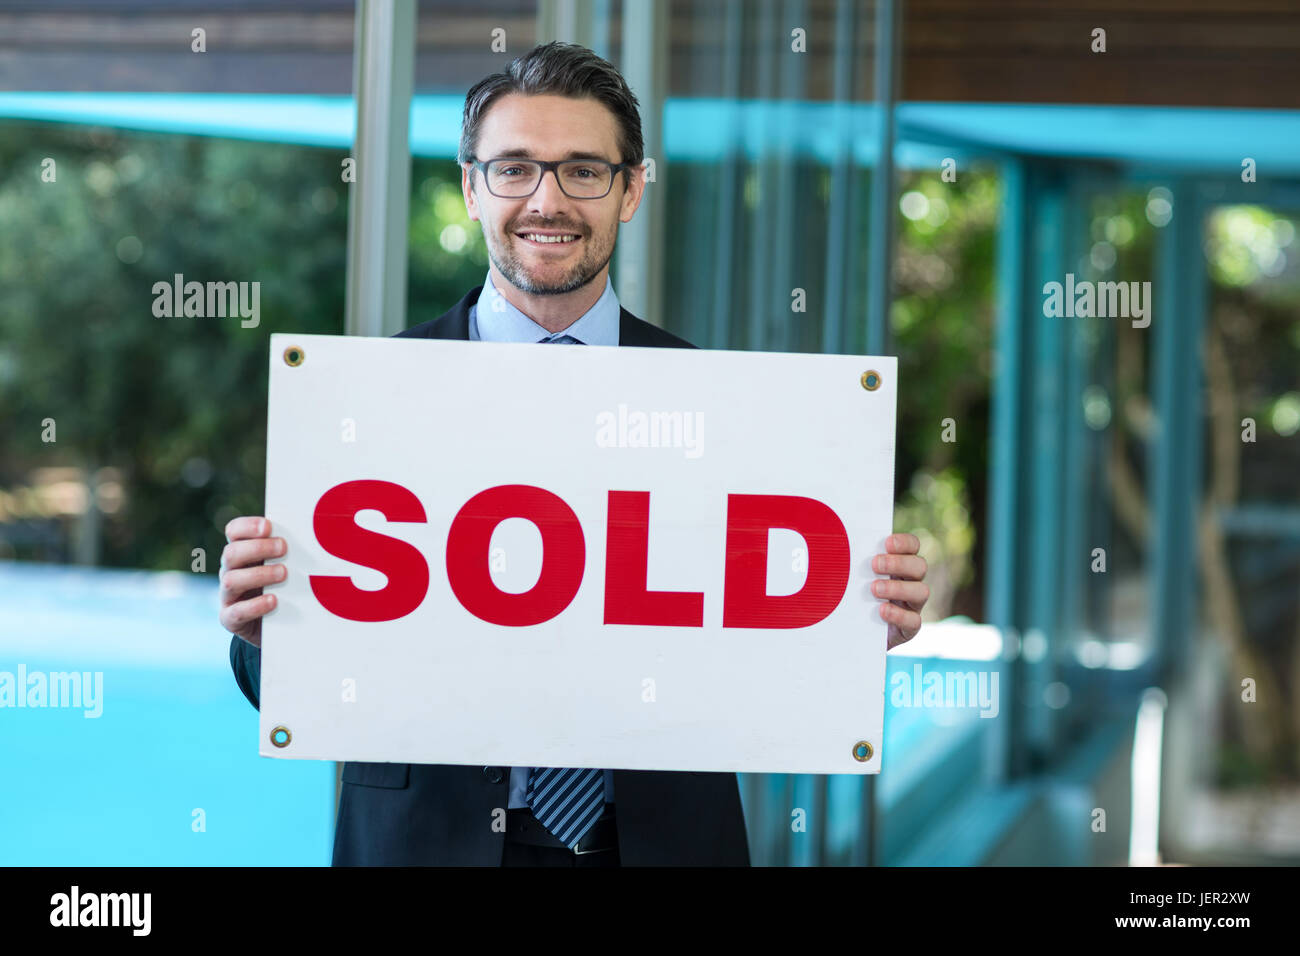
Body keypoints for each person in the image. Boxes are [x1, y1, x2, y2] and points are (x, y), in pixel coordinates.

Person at [222, 41, 930, 867]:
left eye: (583, 171)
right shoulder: (363, 399)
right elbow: (301, 679)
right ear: (471, 187)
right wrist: (264, 634)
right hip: (423, 844)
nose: (547, 200)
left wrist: (850, 624)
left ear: (631, 190)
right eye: (514, 168)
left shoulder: (732, 408)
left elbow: (759, 637)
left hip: (663, 844)